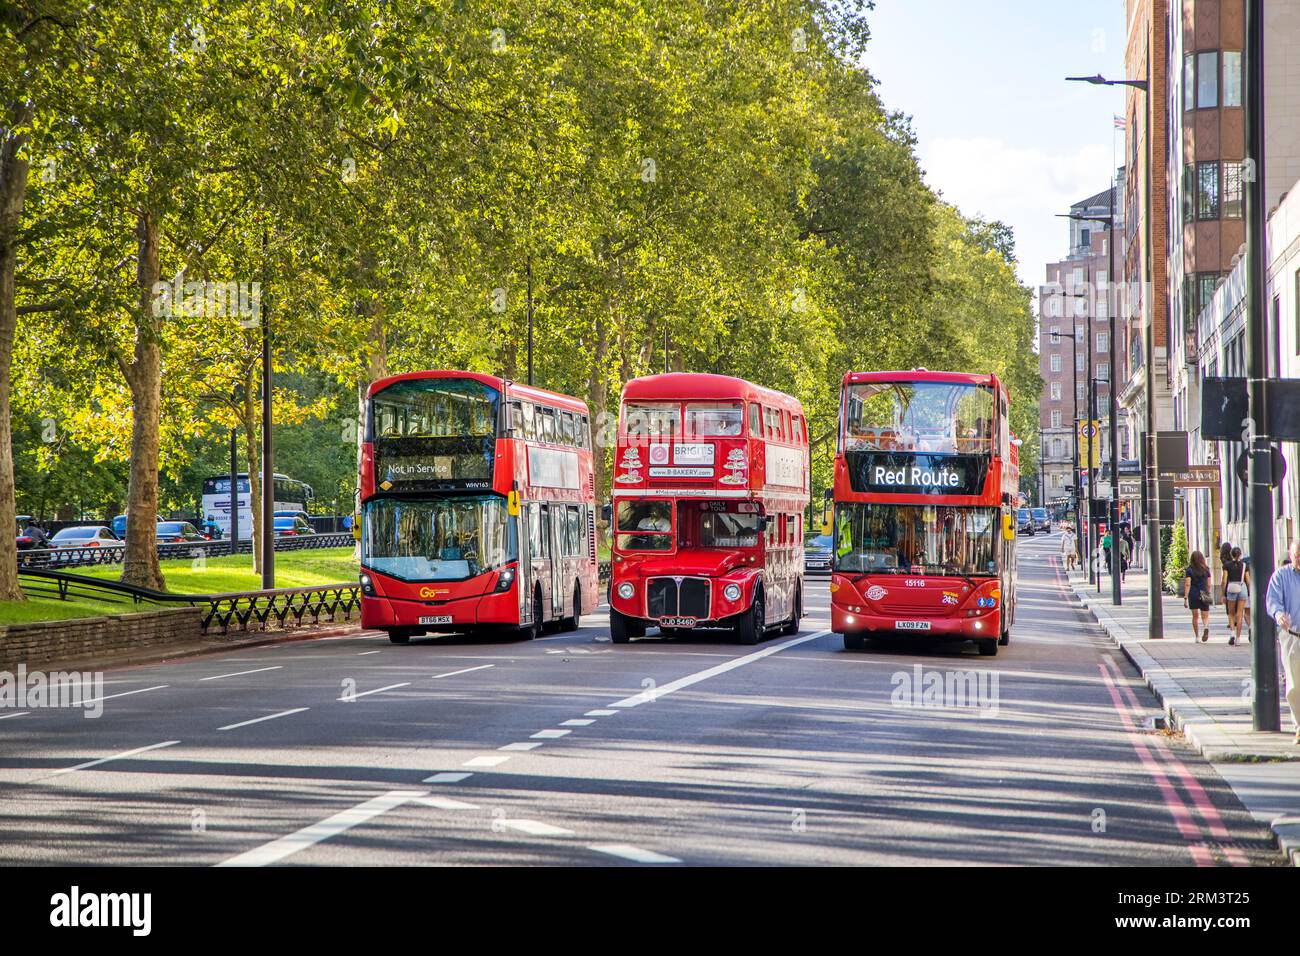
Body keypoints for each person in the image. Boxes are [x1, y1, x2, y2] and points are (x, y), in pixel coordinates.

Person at [1264, 539, 1300, 744]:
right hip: (1292, 637)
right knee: (1295, 686)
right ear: (1291, 554)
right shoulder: (1281, 576)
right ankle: (1299, 727)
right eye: (1297, 556)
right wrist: (1278, 615)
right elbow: (1273, 601)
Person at [1182, 550, 1214, 643]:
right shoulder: (1206, 569)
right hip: (1205, 592)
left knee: (1195, 616)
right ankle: (1206, 627)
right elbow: (1208, 584)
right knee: (1205, 615)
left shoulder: (1189, 570)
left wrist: (1185, 597)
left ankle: (1197, 637)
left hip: (1193, 593)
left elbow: (1188, 584)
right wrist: (1208, 593)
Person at [1221, 546, 1250, 646]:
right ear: (1240, 555)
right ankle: (1238, 639)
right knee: (1240, 613)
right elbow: (1248, 580)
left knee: (1231, 612)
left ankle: (1232, 633)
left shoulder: (1226, 565)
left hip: (1232, 588)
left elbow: (1224, 580)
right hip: (1242, 587)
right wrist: (1249, 593)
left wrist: (1223, 594)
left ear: (1231, 554)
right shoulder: (1244, 565)